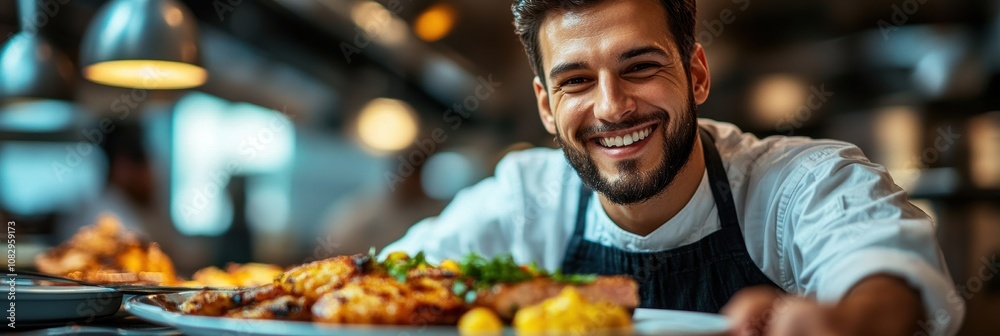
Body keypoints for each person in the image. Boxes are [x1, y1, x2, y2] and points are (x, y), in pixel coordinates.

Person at [383, 0, 964, 335]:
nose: (611, 107)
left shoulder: (800, 183)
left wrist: (843, 323)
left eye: (639, 67)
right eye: (577, 81)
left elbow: (883, 271)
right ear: (545, 106)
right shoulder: (524, 200)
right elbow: (386, 287)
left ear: (698, 74)